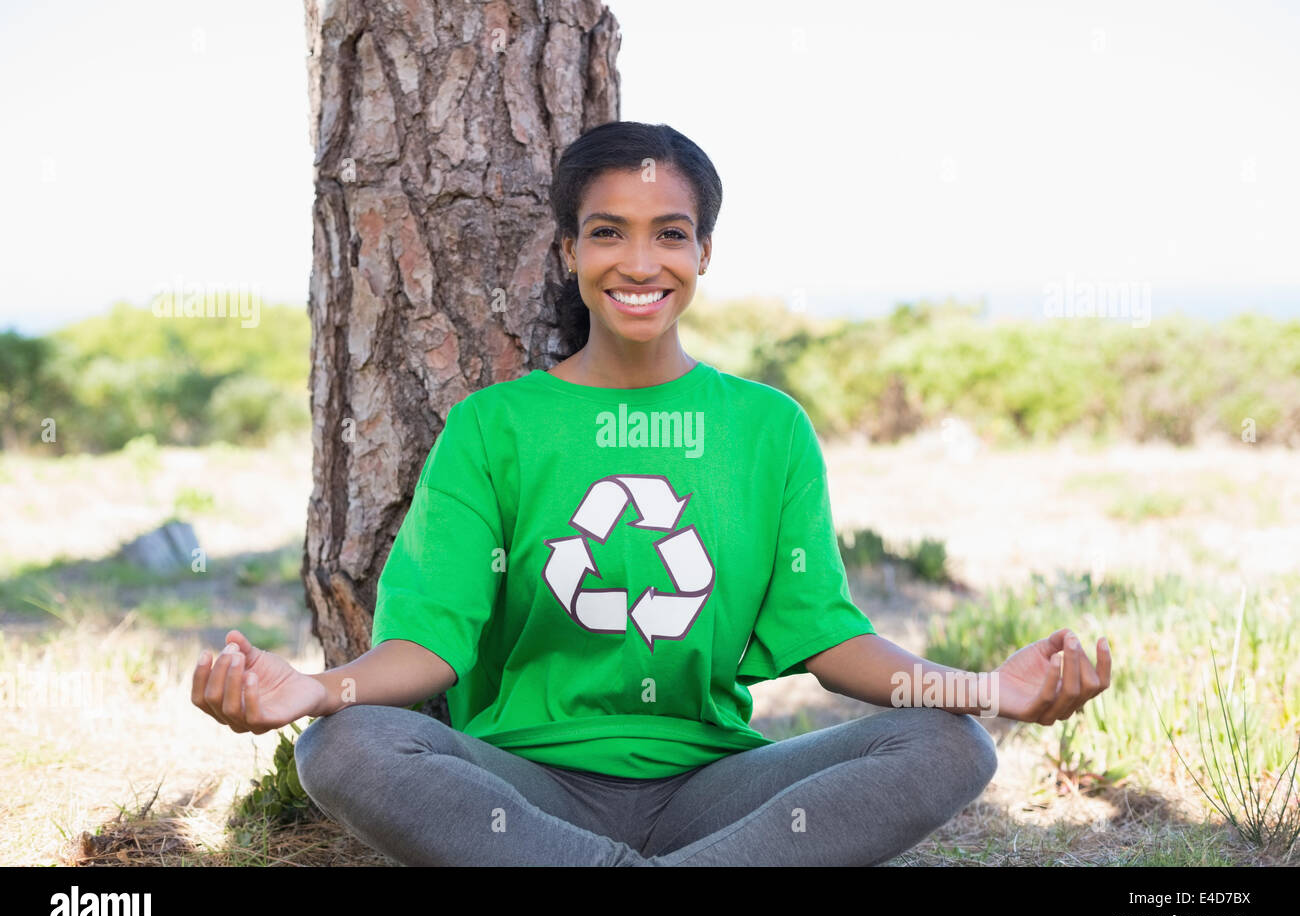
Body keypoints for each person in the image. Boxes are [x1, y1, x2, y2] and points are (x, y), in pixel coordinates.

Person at [192, 121, 1111, 866]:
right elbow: (428, 647)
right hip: (523, 792)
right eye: (608, 232)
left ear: (705, 252)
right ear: (569, 251)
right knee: (344, 747)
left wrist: (986, 688)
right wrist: (313, 691)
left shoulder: (766, 428)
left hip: (714, 794)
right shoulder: (494, 428)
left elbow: (829, 638)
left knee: (952, 744)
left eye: (670, 232)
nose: (641, 263)